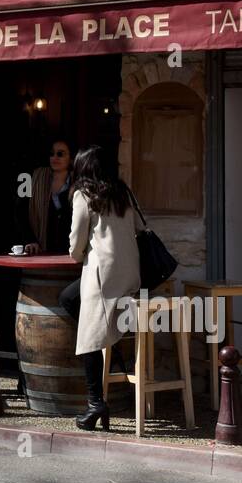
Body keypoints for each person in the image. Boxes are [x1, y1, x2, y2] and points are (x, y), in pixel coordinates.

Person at [58, 146, 142, 432]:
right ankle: (111, 340)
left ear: (83, 169)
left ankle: (95, 403)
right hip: (130, 277)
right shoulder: (123, 192)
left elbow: (75, 246)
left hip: (104, 277)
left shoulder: (83, 195)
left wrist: (79, 253)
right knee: (70, 298)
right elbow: (141, 228)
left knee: (88, 334)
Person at [16, 137, 75, 255]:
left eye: (60, 154)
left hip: (70, 253)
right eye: (52, 154)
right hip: (39, 251)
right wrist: (30, 240)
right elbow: (19, 210)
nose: (55, 158)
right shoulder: (31, 177)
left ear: (71, 159)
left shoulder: (78, 182)